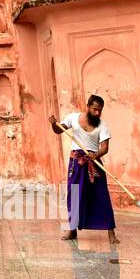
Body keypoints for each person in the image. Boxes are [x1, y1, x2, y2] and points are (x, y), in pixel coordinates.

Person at [48, 95, 118, 244]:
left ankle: (111, 232)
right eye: (95, 110)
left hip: (94, 162)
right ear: (88, 106)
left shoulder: (103, 126)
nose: (98, 113)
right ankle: (72, 230)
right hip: (77, 163)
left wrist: (95, 155)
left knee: (101, 196)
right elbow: (58, 130)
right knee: (74, 195)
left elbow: (104, 148)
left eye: (100, 111)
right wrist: (54, 124)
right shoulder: (73, 118)